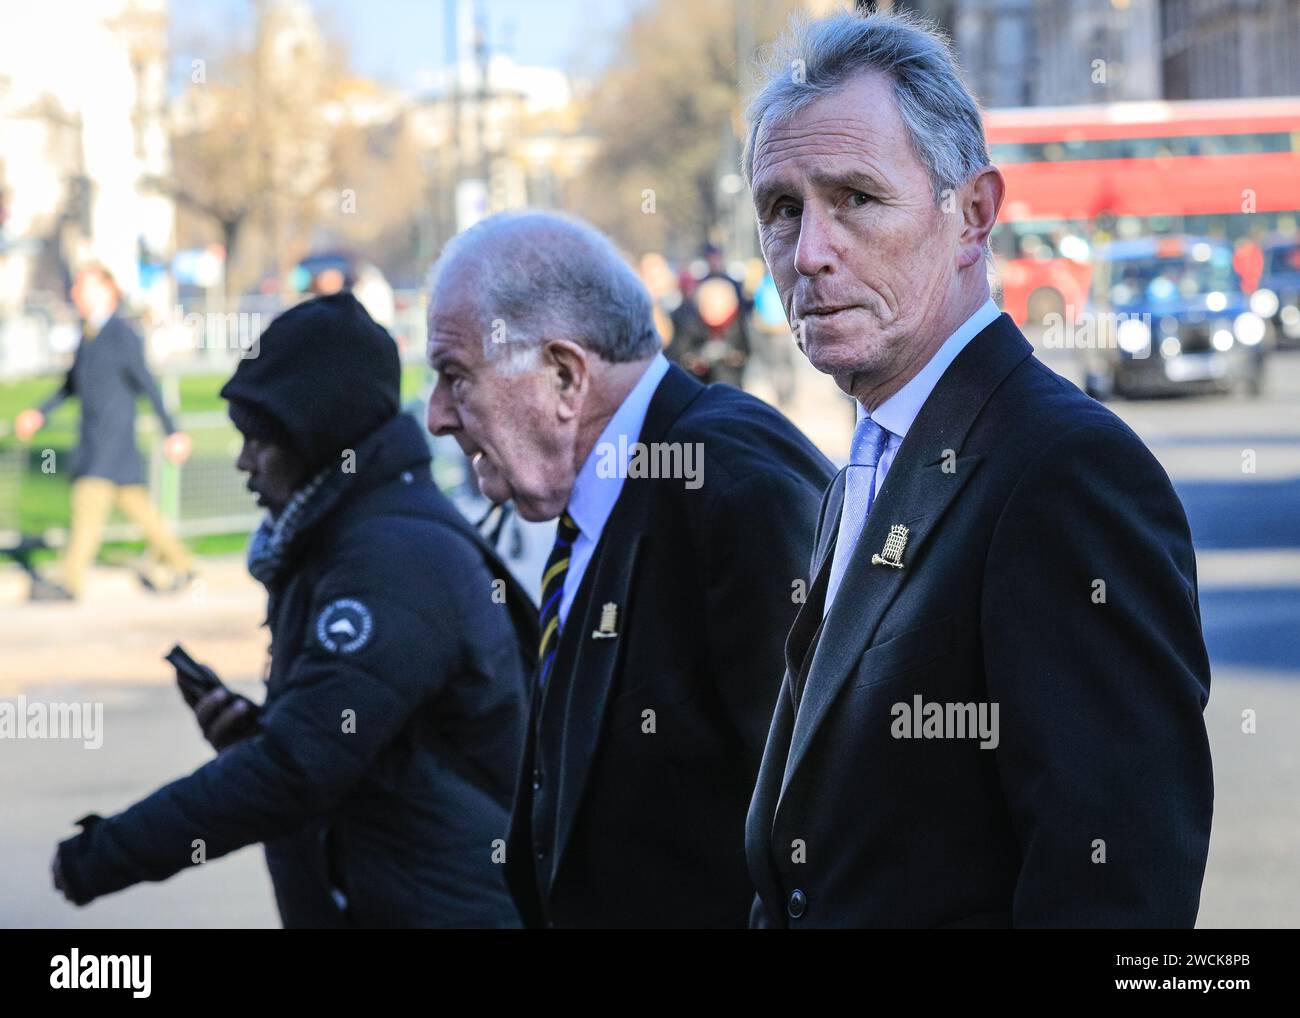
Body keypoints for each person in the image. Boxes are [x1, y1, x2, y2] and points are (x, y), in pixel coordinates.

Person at [742, 10, 1213, 928]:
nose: (808, 254)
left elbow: (1119, 894)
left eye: (856, 199)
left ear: (973, 214)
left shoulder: (1067, 474)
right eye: (783, 208)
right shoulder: (870, 462)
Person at [53, 292, 536, 928]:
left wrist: (101, 855)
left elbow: (296, 770)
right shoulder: (351, 532)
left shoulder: (392, 559)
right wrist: (259, 735)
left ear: (315, 437)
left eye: (259, 440)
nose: (243, 461)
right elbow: (355, 745)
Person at [425, 211, 834, 928]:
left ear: (564, 375)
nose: (436, 416)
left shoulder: (728, 481)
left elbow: (827, 823)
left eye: (456, 377)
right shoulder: (614, 493)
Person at [14, 264, 193, 599]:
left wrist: (173, 432)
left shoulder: (121, 334)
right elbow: (70, 385)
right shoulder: (88, 334)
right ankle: (184, 565)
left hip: (111, 442)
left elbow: (147, 383)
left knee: (87, 504)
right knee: (139, 509)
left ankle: (70, 583)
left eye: (83, 287)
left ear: (108, 291)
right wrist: (39, 413)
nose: (75, 294)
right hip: (95, 439)